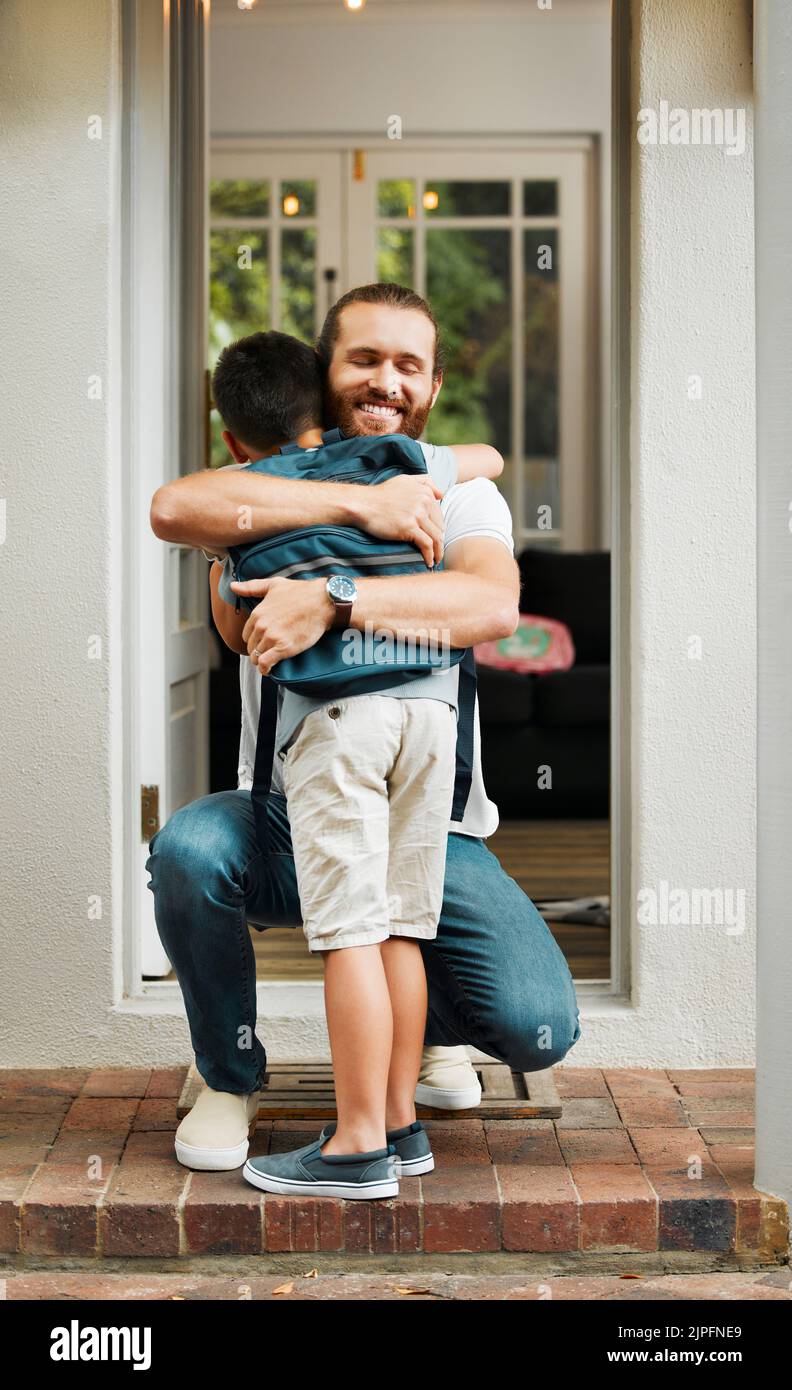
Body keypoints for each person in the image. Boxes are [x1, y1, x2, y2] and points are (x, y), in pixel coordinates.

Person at [147, 282, 581, 1178]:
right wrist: (354, 508)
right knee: (189, 852)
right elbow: (178, 516)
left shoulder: (457, 500)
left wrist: (334, 598)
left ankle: (406, 1067)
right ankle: (233, 1073)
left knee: (536, 1019)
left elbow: (490, 605)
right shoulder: (270, 482)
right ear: (324, 367)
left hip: (434, 816)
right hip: (283, 806)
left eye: (408, 364)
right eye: (365, 358)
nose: (386, 379)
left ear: (430, 385)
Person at [202, 328, 505, 1199]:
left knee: (351, 935)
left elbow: (232, 616)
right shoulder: (405, 464)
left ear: (235, 440)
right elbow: (480, 456)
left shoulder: (251, 494)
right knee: (405, 927)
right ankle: (403, 1126)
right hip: (428, 717)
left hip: (339, 723)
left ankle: (357, 1145)